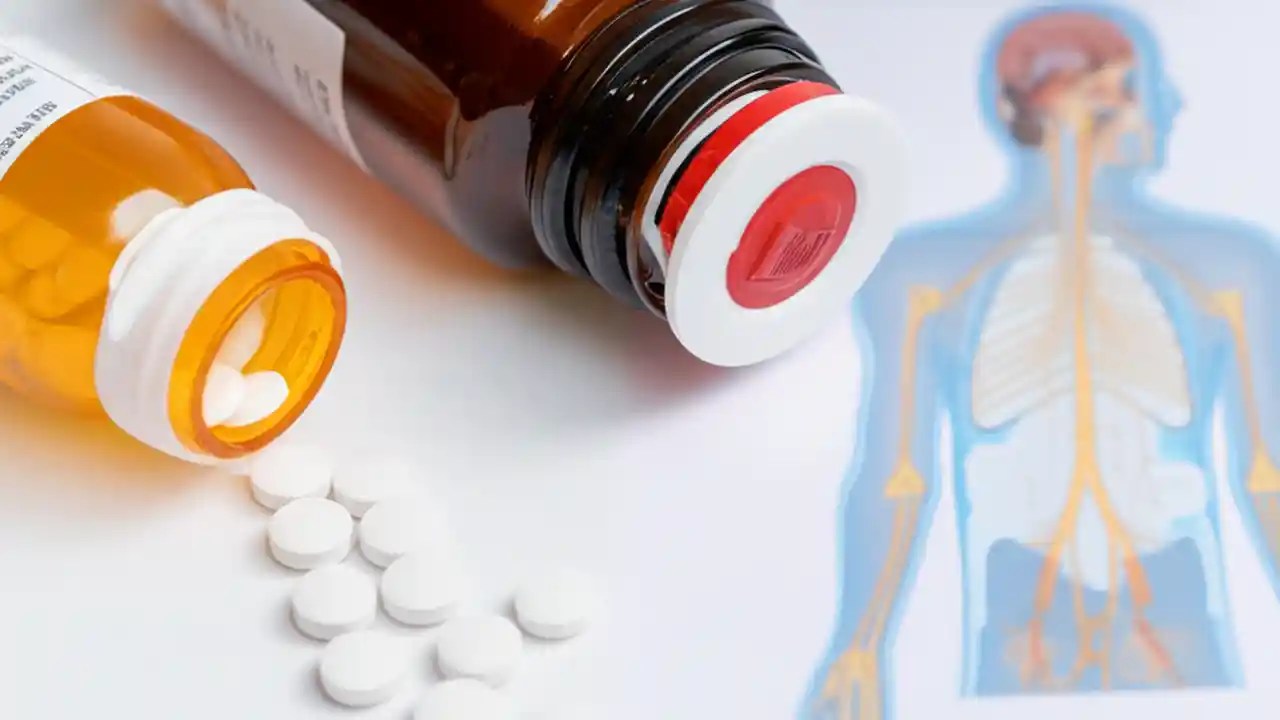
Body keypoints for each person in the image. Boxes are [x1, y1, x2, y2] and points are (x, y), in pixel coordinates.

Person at [805, 4, 1280, 719]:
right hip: (1022, 611)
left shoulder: (1229, 266)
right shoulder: (920, 274)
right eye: (1123, 89)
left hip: (1169, 599)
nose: (1168, 106)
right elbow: (899, 472)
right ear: (1068, 107)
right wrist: (859, 643)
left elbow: (1265, 470)